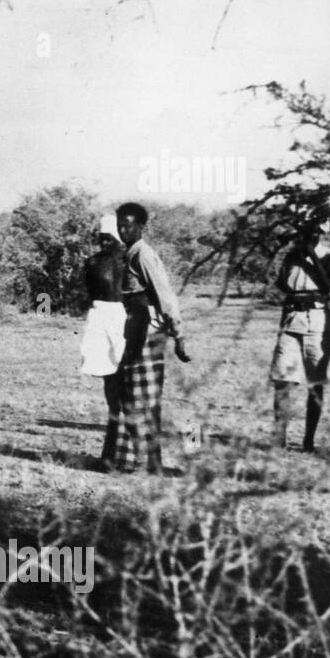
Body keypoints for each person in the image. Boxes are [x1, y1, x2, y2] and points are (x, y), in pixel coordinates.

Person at [112, 202, 191, 474]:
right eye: (120, 224)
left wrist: (178, 334)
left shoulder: (143, 255)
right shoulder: (128, 253)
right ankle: (140, 460)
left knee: (139, 396)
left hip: (148, 329)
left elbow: (165, 297)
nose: (123, 229)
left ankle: (145, 462)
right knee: (133, 394)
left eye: (129, 225)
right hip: (134, 326)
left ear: (141, 226)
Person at [269, 204, 330, 453]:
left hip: (318, 321)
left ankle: (308, 441)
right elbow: (281, 283)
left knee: (315, 382)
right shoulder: (292, 256)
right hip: (292, 320)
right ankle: (279, 439)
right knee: (282, 380)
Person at [80, 214, 128, 463]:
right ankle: (116, 454)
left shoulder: (92, 262)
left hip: (106, 320)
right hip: (115, 320)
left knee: (114, 391)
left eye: (107, 239)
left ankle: (112, 454)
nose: (105, 243)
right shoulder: (127, 259)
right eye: (104, 239)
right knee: (120, 391)